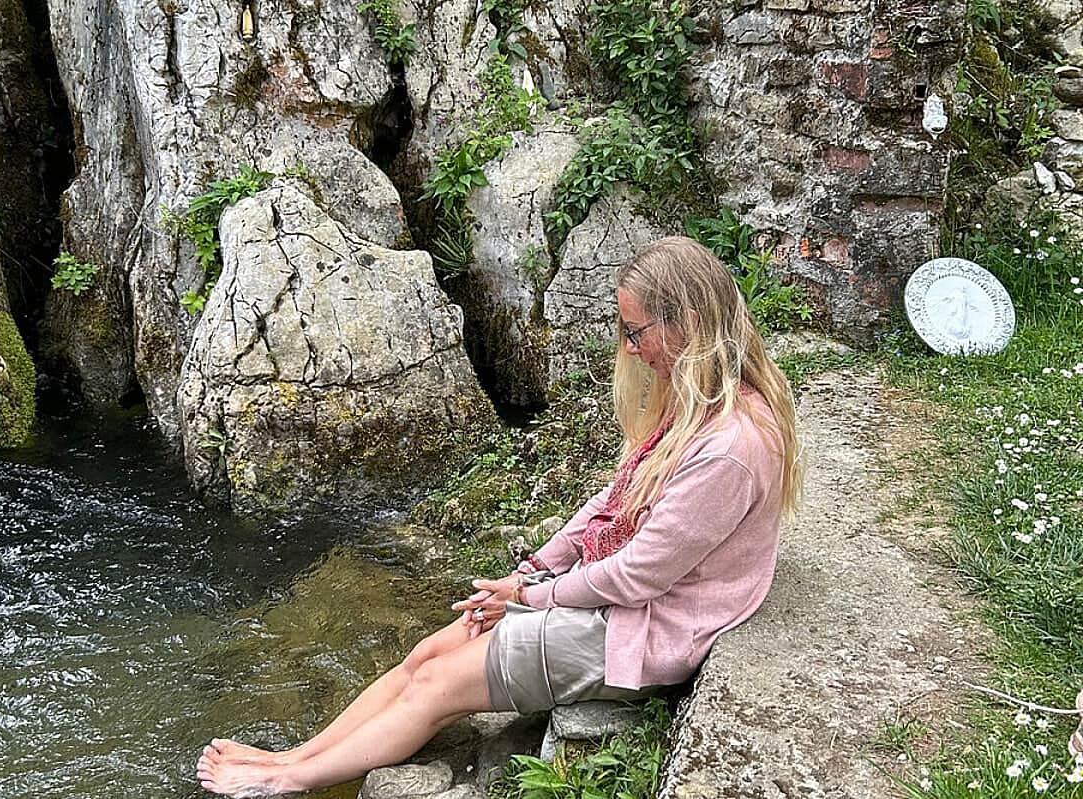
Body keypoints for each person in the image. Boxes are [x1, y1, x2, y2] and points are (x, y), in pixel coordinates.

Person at [195, 235, 802, 798]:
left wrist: (531, 597)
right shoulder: (699, 403)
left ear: (687, 322)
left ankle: (289, 781)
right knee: (426, 655)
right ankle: (293, 756)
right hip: (619, 604)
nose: (628, 348)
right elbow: (612, 502)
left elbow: (638, 576)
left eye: (634, 331)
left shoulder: (730, 448)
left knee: (437, 685)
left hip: (641, 634)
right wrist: (532, 570)